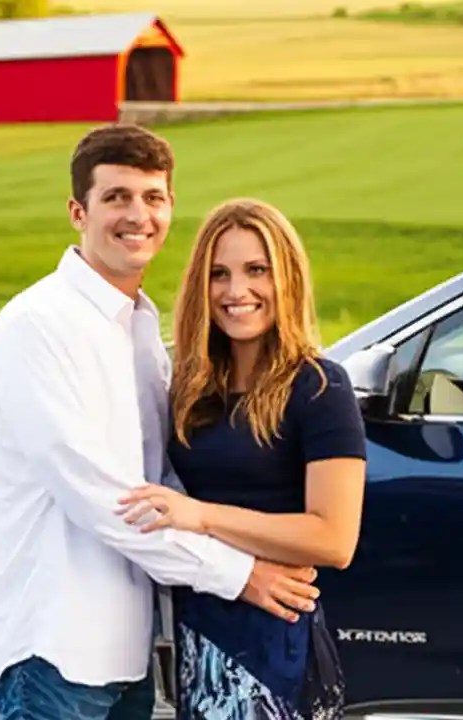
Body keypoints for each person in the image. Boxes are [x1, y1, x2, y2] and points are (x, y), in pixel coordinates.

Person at [0, 127, 323, 720]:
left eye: (152, 197)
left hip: (126, 656)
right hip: (54, 653)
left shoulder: (139, 332)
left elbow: (168, 483)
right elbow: (108, 500)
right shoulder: (38, 326)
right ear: (77, 212)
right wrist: (242, 576)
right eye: (116, 198)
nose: (138, 215)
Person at [117, 199, 368, 719]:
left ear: (287, 279)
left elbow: (334, 539)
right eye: (219, 274)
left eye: (257, 271)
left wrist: (204, 517)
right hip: (198, 628)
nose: (237, 292)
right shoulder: (189, 386)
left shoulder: (320, 387)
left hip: (274, 639)